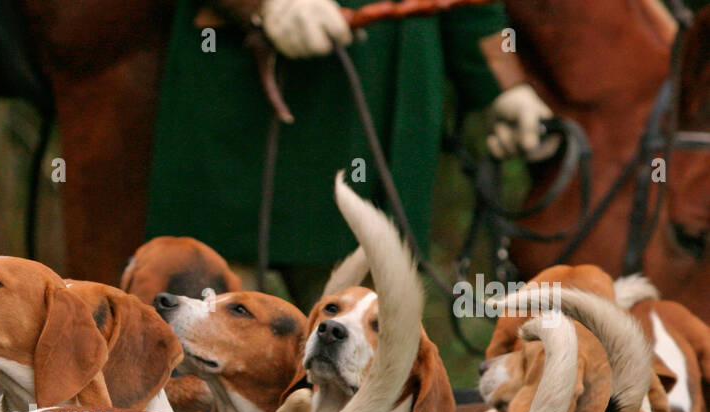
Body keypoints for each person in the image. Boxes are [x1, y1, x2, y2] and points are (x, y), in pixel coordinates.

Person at [146, 0, 556, 308]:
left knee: (366, 387)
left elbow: (473, 8)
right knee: (204, 378)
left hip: (385, 130)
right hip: (243, 119)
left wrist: (502, 84)